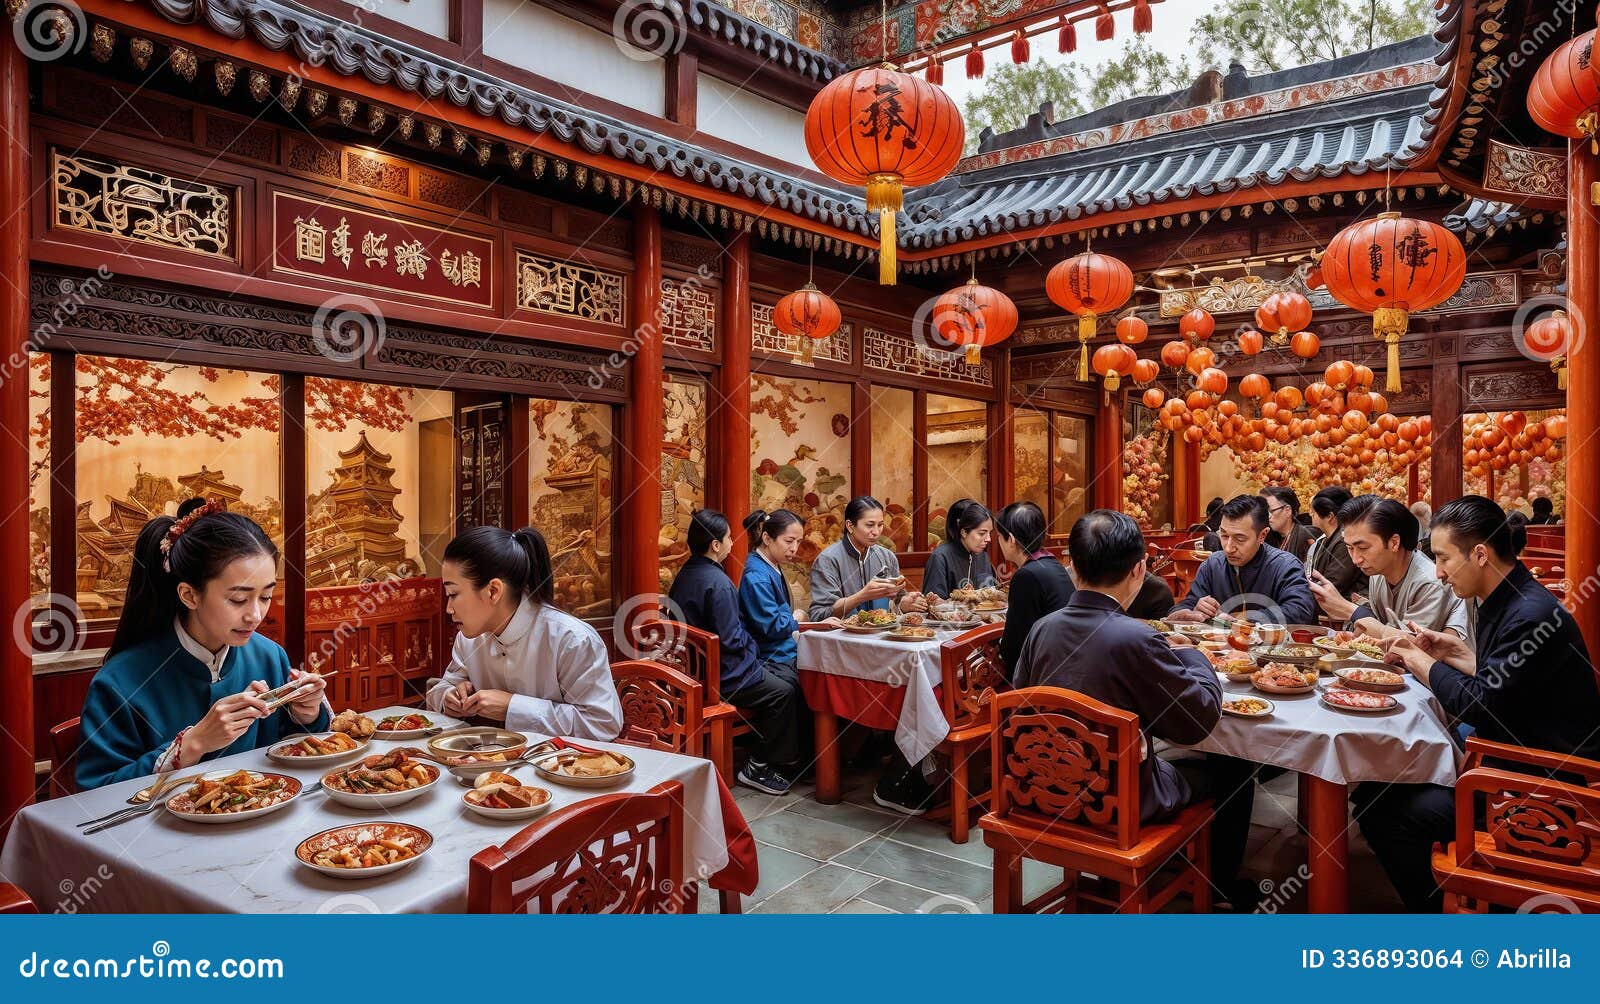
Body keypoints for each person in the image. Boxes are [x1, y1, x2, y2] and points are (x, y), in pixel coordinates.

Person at [1355, 496, 1600, 912]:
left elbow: (1481, 706)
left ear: (1481, 554)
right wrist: (1456, 653)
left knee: (1383, 814)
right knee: (1377, 791)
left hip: (1546, 789)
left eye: (1444, 558)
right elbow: (1503, 681)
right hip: (1520, 758)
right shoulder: (1511, 597)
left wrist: (1420, 660)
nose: (1438, 572)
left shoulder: (1529, 614)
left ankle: (1447, 920)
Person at [1013, 510, 1258, 902]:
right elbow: (1196, 723)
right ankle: (1218, 888)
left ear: (1070, 566)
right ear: (1139, 568)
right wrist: (1197, 658)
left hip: (1041, 786)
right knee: (1234, 765)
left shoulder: (1043, 628)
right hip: (1115, 798)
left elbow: (1021, 703)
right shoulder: (1135, 638)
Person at [77, 501, 330, 789]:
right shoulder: (120, 681)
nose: (256, 615)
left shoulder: (269, 656)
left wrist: (306, 715)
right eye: (238, 599)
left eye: (265, 596)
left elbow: (293, 756)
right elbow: (95, 791)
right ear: (189, 595)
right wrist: (193, 743)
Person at [427, 525, 622, 741]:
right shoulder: (469, 638)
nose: (448, 608)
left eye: (453, 594)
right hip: (491, 761)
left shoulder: (570, 639)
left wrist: (512, 707)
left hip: (563, 767)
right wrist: (449, 697)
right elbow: (443, 687)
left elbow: (602, 724)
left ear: (493, 591)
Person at [668, 509, 808, 795]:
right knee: (785, 691)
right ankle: (758, 765)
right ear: (716, 545)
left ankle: (779, 758)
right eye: (729, 538)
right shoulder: (718, 583)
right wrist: (755, 651)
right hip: (724, 674)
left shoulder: (686, 574)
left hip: (695, 669)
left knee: (785, 679)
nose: (733, 543)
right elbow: (732, 639)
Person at [1309, 496, 1468, 640]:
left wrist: (1350, 610)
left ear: (1393, 543)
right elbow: (1381, 631)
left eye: (1363, 548)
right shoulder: (1377, 574)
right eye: (1349, 548)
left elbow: (1409, 645)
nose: (1355, 559)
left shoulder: (1429, 582)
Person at [730, 509, 810, 794]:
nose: (794, 548)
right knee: (796, 685)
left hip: (781, 648)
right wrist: (795, 617)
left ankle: (802, 759)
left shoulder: (770, 565)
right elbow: (769, 625)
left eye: (798, 542)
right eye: (789, 541)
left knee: (817, 678)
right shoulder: (756, 574)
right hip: (767, 654)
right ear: (766, 537)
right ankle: (764, 763)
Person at [1167, 495, 1316, 625]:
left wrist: (1243, 619)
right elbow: (1186, 605)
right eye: (1224, 536)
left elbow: (1299, 611)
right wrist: (1192, 611)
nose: (1228, 548)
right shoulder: (1213, 565)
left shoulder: (1285, 566)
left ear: (1262, 535)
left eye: (1240, 539)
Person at [808, 495, 927, 620]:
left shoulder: (887, 556)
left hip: (882, 635)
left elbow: (896, 599)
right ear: (850, 526)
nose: (876, 532)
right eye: (870, 525)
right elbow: (819, 615)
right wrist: (862, 596)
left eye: (880, 525)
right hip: (843, 636)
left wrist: (905, 603)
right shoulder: (828, 560)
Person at [992, 501, 1074, 678]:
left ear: (1011, 540)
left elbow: (1014, 647)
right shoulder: (1053, 565)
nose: (996, 541)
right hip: (1064, 666)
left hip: (1042, 679)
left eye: (999, 536)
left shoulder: (1027, 575)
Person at [921, 499, 997, 598]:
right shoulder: (940, 558)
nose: (988, 539)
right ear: (964, 532)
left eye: (990, 533)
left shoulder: (983, 556)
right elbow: (934, 603)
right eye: (982, 533)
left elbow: (991, 595)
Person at [1305, 486, 1361, 599]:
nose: (1311, 515)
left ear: (1330, 516)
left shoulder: (1345, 541)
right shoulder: (1325, 539)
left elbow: (1333, 585)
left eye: (1314, 512)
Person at [1261, 487, 1313, 560]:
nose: (1268, 516)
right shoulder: (1270, 536)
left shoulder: (1305, 538)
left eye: (1271, 511)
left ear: (1287, 510)